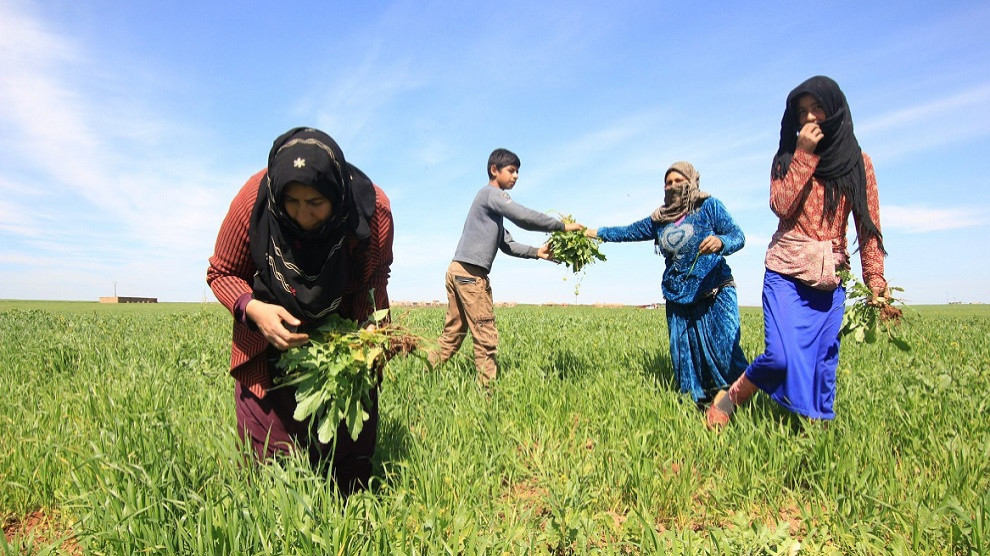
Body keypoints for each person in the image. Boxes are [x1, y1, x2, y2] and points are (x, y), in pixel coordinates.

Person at [207, 127, 394, 494]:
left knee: (348, 443)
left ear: (337, 196)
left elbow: (376, 275)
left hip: (340, 331)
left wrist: (372, 330)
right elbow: (222, 272)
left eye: (316, 204)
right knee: (270, 456)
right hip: (267, 330)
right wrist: (254, 310)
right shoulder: (253, 202)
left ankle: (349, 514)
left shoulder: (371, 213)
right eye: (292, 203)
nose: (304, 216)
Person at [708, 75, 889, 426]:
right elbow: (782, 205)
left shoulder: (859, 163)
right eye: (802, 111)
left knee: (823, 363)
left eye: (817, 108)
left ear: (834, 110)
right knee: (779, 357)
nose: (809, 117)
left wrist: (875, 282)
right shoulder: (787, 158)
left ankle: (813, 434)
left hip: (829, 278)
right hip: (786, 271)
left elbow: (868, 226)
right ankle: (731, 399)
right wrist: (803, 156)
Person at [586, 161, 748, 417]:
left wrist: (720, 241)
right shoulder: (660, 219)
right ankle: (698, 406)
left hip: (714, 290)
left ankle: (736, 401)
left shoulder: (709, 206)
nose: (672, 186)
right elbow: (627, 232)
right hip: (678, 294)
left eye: (678, 181)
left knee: (724, 348)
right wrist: (589, 232)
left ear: (692, 181)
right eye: (668, 182)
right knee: (685, 355)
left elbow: (737, 235)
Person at [430, 148, 583, 386]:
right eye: (511, 171)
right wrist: (561, 226)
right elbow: (522, 215)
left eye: (518, 172)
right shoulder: (492, 194)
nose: (516, 176)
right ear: (494, 170)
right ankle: (487, 397)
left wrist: (537, 252)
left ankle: (423, 375)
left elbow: (507, 244)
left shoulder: (491, 209)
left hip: (458, 271)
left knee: (454, 333)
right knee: (485, 336)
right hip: (471, 275)